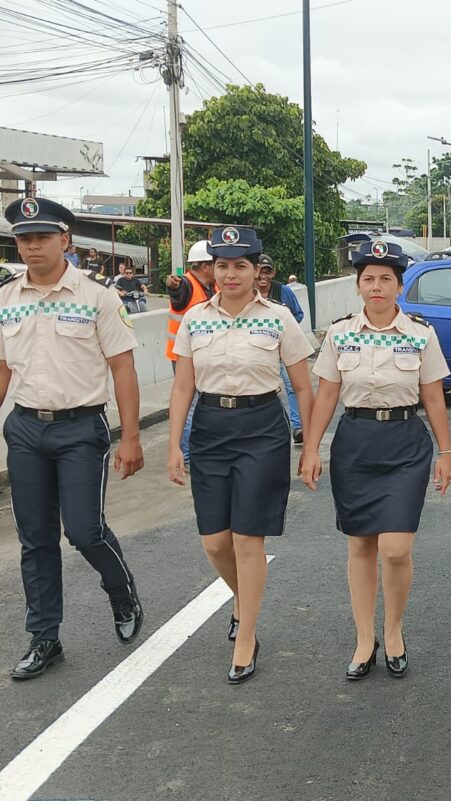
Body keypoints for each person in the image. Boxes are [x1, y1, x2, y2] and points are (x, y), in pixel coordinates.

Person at [1, 196, 145, 680]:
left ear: (65, 240)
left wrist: (130, 439)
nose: (32, 246)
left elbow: (122, 368)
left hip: (81, 428)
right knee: (35, 538)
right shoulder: (5, 298)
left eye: (41, 237)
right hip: (24, 428)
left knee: (84, 530)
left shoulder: (98, 296)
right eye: (24, 238)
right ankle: (45, 638)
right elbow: (2, 368)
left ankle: (121, 593)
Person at [300, 240, 451, 681]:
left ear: (400, 286)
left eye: (386, 278)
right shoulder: (340, 333)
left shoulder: (420, 334)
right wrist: (312, 448)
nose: (377, 286)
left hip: (405, 443)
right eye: (368, 279)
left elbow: (433, 396)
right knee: (361, 544)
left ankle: (394, 630)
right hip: (355, 442)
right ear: (358, 286)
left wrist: (446, 452)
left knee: (395, 547)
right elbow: (327, 393)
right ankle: (365, 638)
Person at [167, 225, 314, 684]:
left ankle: (247, 635)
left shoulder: (277, 318)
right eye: (223, 266)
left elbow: (304, 385)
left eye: (240, 266)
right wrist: (174, 443)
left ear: (256, 271)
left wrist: (310, 446)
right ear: (211, 270)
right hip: (211, 428)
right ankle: (242, 598)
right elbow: (183, 385)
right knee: (215, 541)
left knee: (248, 539)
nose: (230, 274)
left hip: (261, 430)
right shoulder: (195, 319)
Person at [166, 239, 216, 466]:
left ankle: (197, 449)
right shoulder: (186, 284)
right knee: (190, 404)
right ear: (205, 266)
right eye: (216, 263)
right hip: (184, 356)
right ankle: (186, 455)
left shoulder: (212, 287)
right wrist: (172, 287)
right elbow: (176, 293)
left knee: (202, 405)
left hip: (204, 355)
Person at [257, 254, 304, 443]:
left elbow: (298, 314)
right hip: (260, 350)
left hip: (282, 349)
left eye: (267, 272)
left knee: (293, 386)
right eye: (259, 272)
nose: (263, 277)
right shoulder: (248, 293)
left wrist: (284, 330)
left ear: (273, 273)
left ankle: (298, 426)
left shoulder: (284, 292)